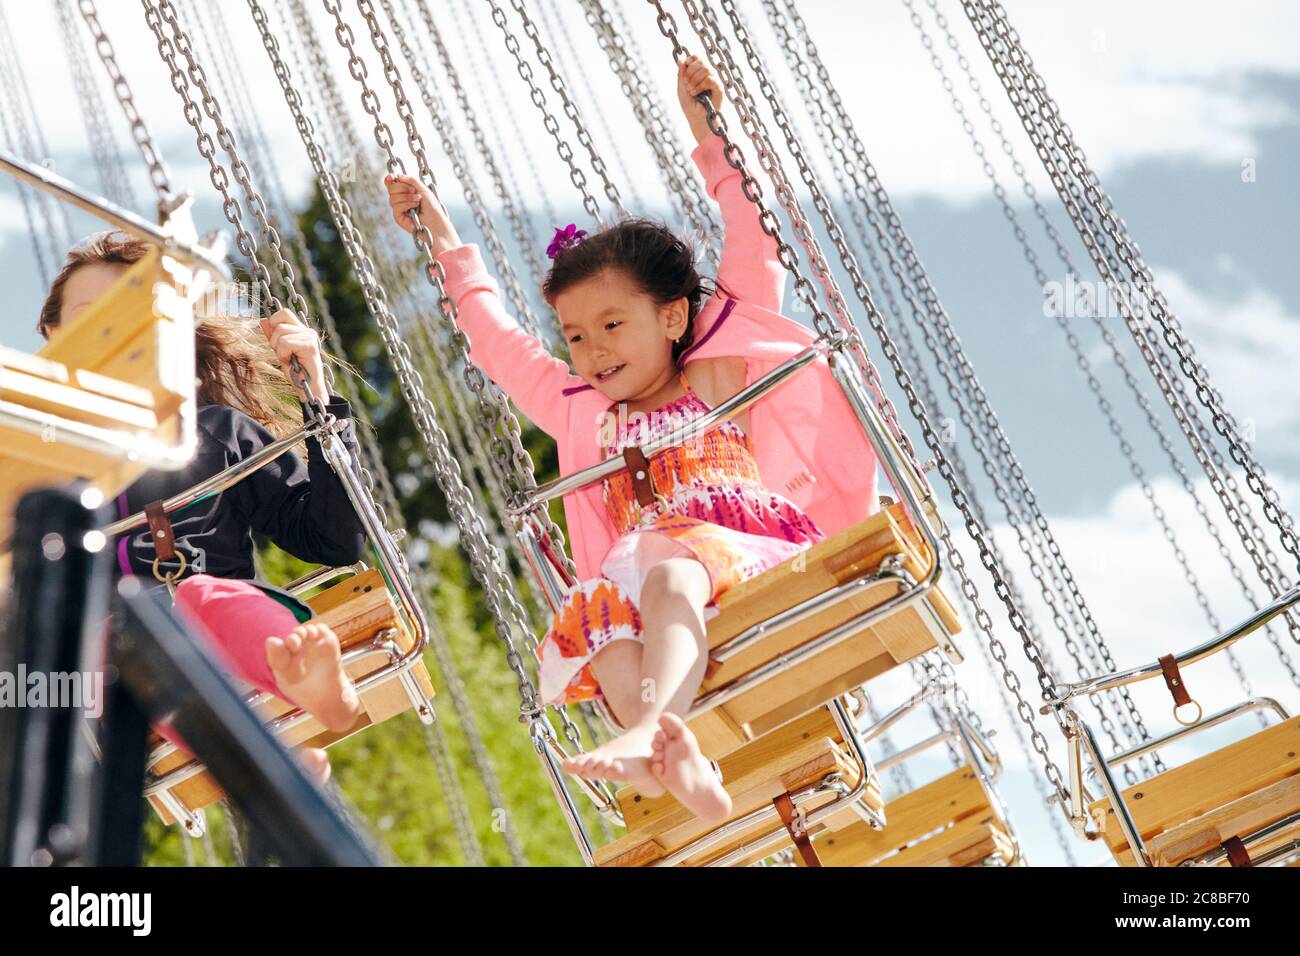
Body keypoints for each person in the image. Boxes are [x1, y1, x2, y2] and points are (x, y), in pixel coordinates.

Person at [384, 55, 881, 821]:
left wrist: (710, 129)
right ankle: (664, 761)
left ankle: (654, 730)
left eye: (613, 325)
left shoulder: (715, 369)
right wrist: (442, 241)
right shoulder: (581, 407)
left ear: (674, 317)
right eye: (576, 336)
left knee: (667, 570)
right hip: (649, 574)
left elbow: (754, 233)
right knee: (596, 614)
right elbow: (494, 339)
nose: (594, 351)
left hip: (739, 554)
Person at [38, 231, 371, 782]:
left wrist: (318, 402)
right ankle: (268, 763)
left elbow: (334, 541)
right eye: (89, 317)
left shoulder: (213, 435)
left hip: (219, 626)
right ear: (53, 336)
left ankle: (298, 673)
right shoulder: (37, 463)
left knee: (197, 597)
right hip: (115, 668)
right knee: (118, 641)